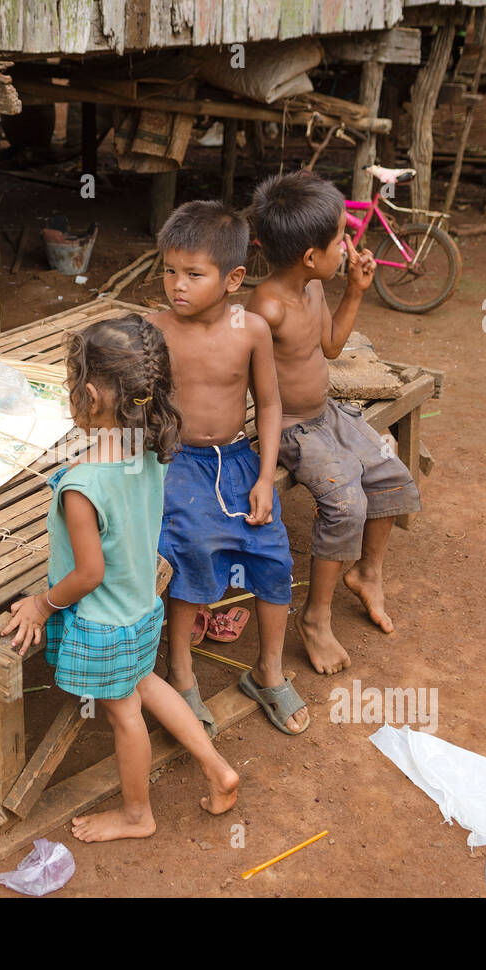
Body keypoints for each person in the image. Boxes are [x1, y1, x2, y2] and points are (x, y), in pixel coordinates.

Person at [3, 316, 239, 842]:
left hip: (104, 621)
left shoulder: (82, 483)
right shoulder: (149, 447)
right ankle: (217, 767)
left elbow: (88, 574)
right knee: (145, 682)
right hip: (139, 607)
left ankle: (138, 814)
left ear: (89, 394)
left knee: (125, 713)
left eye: (69, 386)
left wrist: (42, 605)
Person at [248, 171, 421, 675]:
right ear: (309, 257)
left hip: (329, 414)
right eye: (338, 242)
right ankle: (316, 618)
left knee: (391, 473)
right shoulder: (266, 307)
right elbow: (254, 386)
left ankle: (367, 573)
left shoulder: (315, 287)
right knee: (347, 503)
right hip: (293, 430)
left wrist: (356, 291)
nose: (347, 248)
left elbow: (330, 347)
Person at [147, 201, 309, 737]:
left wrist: (265, 477)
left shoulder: (252, 330)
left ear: (234, 278)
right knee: (190, 550)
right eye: (170, 270)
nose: (178, 285)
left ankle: (267, 672)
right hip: (177, 462)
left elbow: (268, 403)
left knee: (272, 554)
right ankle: (182, 676)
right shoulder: (153, 329)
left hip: (240, 459)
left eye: (194, 274)